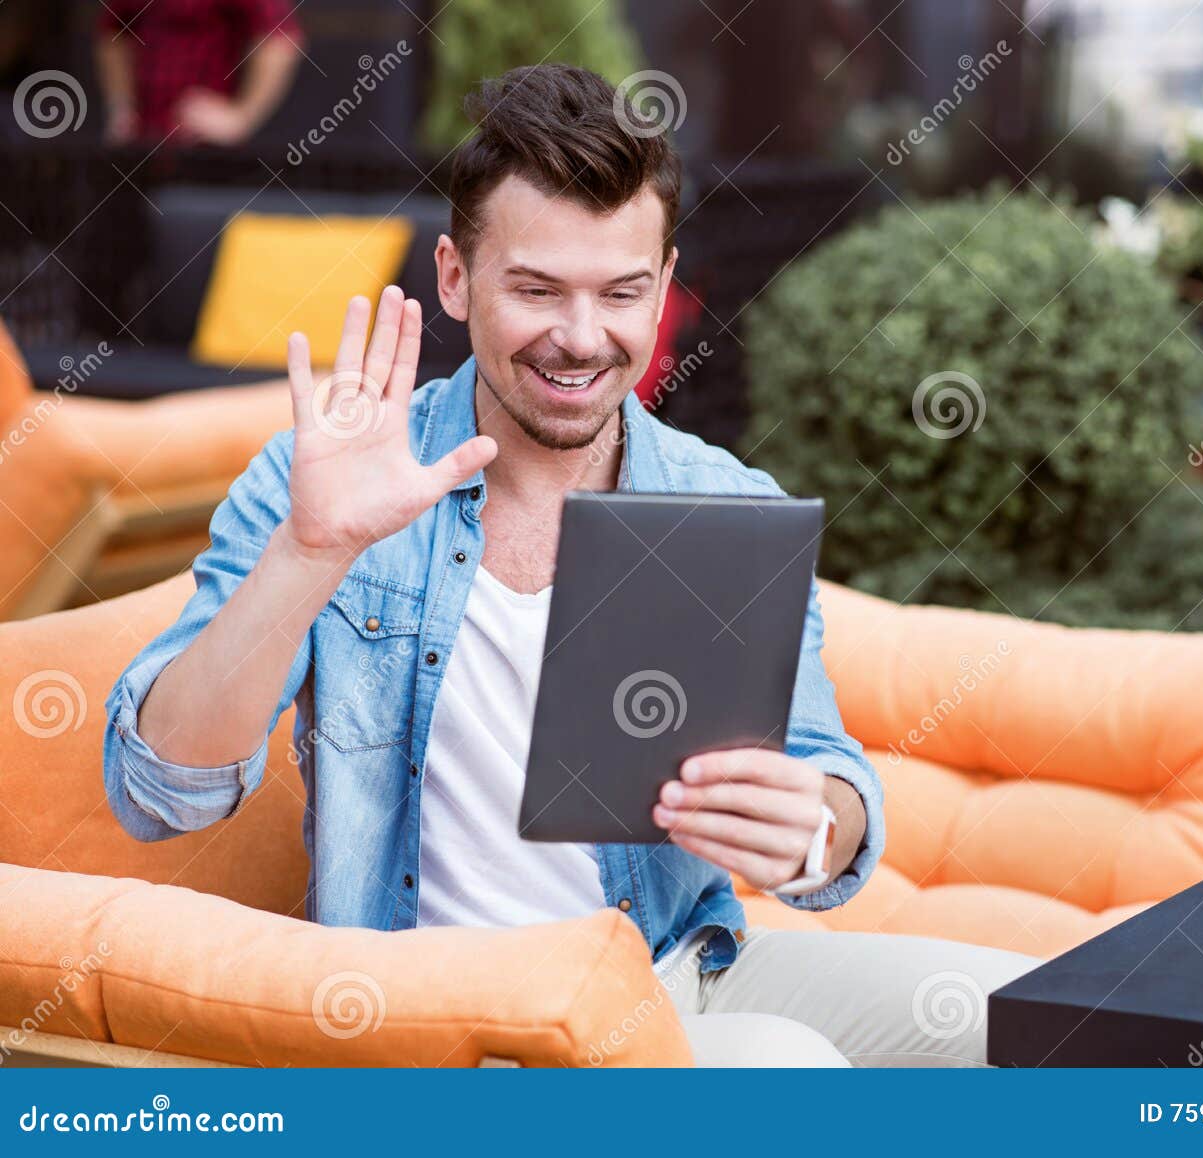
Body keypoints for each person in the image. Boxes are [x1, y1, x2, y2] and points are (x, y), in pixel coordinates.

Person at [103, 63, 1039, 1067]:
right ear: (456, 279)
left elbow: (827, 777)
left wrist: (816, 827)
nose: (582, 338)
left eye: (622, 292)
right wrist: (311, 549)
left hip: (677, 964)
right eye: (538, 289)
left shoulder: (723, 503)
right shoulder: (321, 481)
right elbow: (161, 794)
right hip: (449, 1015)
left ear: (666, 285)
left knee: (1033, 1018)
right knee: (779, 1066)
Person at [95, 0, 302, 145]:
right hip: (140, 144)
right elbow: (113, 32)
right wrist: (120, 105)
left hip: (205, 150)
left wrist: (242, 117)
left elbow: (282, 38)